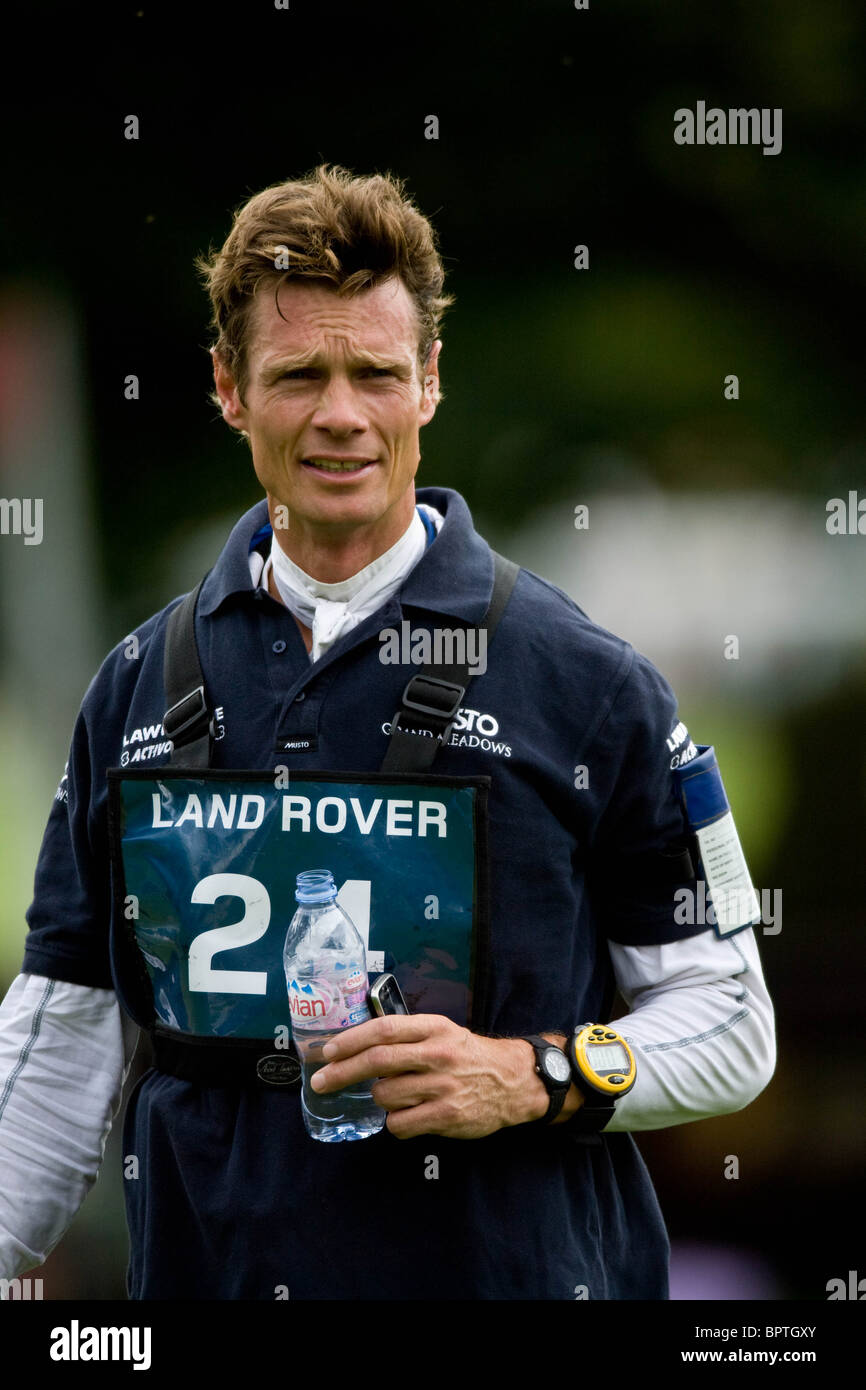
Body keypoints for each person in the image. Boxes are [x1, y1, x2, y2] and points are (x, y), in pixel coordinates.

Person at [0, 165, 775, 1301]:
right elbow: (62, 1047)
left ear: (428, 384)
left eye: (373, 372)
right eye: (297, 374)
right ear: (227, 387)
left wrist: (528, 1074)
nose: (340, 414)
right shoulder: (132, 690)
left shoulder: (588, 684)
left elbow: (731, 1022)